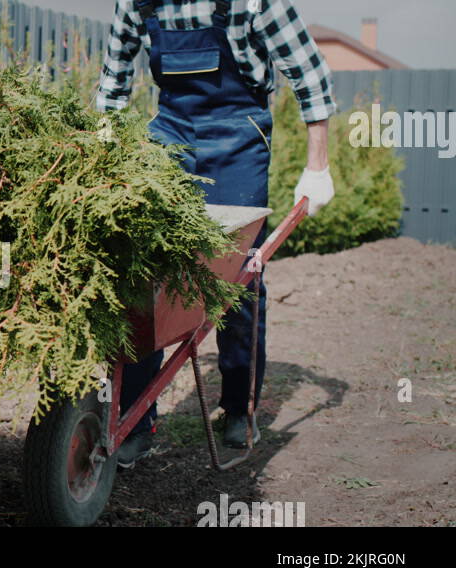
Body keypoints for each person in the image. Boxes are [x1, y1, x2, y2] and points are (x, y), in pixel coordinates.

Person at [96, 0, 336, 467]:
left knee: (240, 272)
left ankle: (237, 408)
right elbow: (113, 80)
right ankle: (137, 417)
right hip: (169, 137)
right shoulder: (136, 3)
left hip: (239, 137)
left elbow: (311, 75)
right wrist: (102, 145)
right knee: (145, 272)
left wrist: (317, 166)